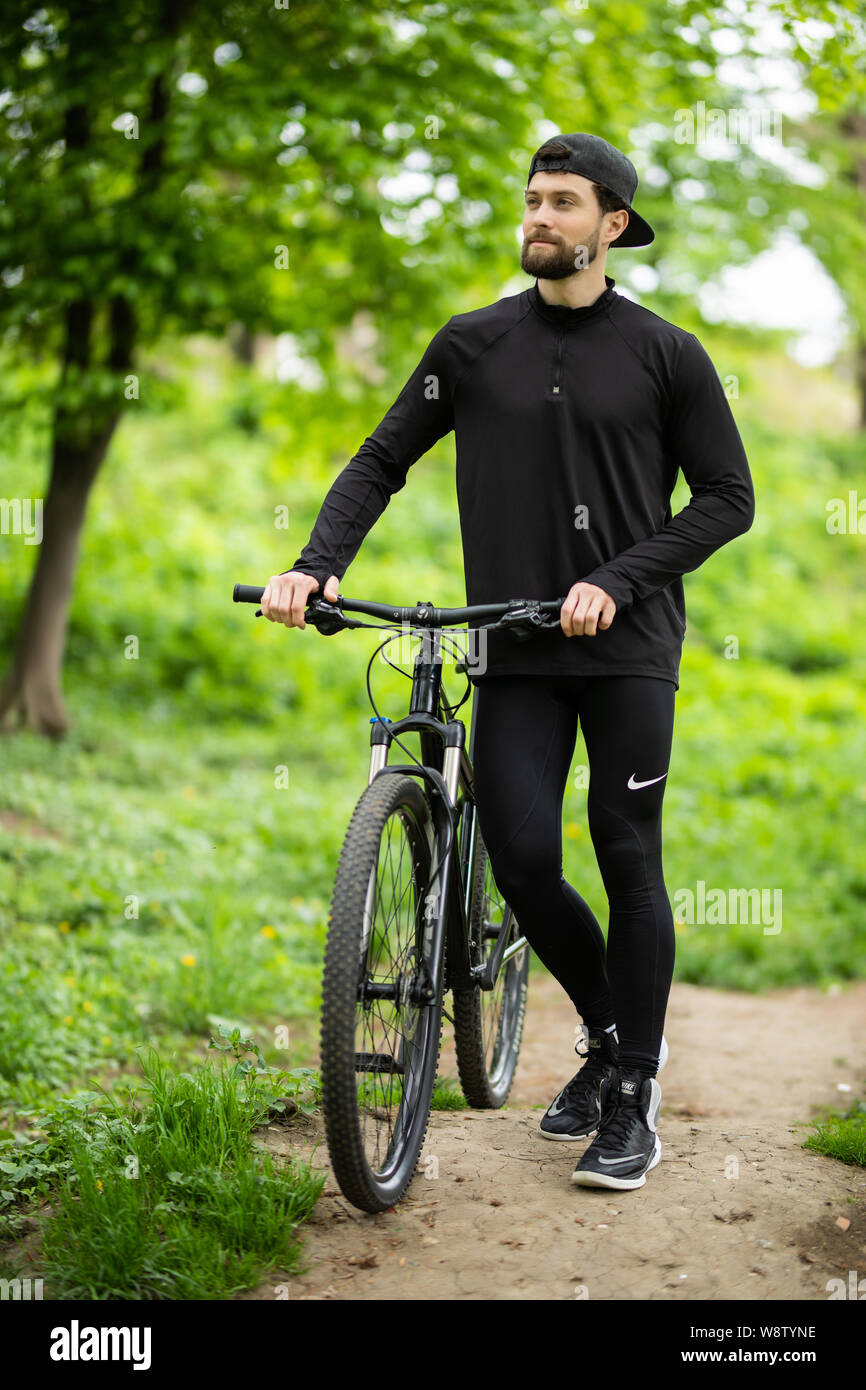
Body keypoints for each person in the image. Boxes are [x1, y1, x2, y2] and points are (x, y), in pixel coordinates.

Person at [261, 132, 755, 1191]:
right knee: (524, 859)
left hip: (627, 651)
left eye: (562, 202)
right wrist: (316, 568)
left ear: (610, 225)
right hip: (513, 649)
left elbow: (726, 496)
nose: (538, 216)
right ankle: (607, 1031)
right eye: (531, 199)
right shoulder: (471, 347)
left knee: (623, 847)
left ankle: (629, 1090)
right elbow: (380, 458)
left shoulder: (666, 354)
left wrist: (617, 579)